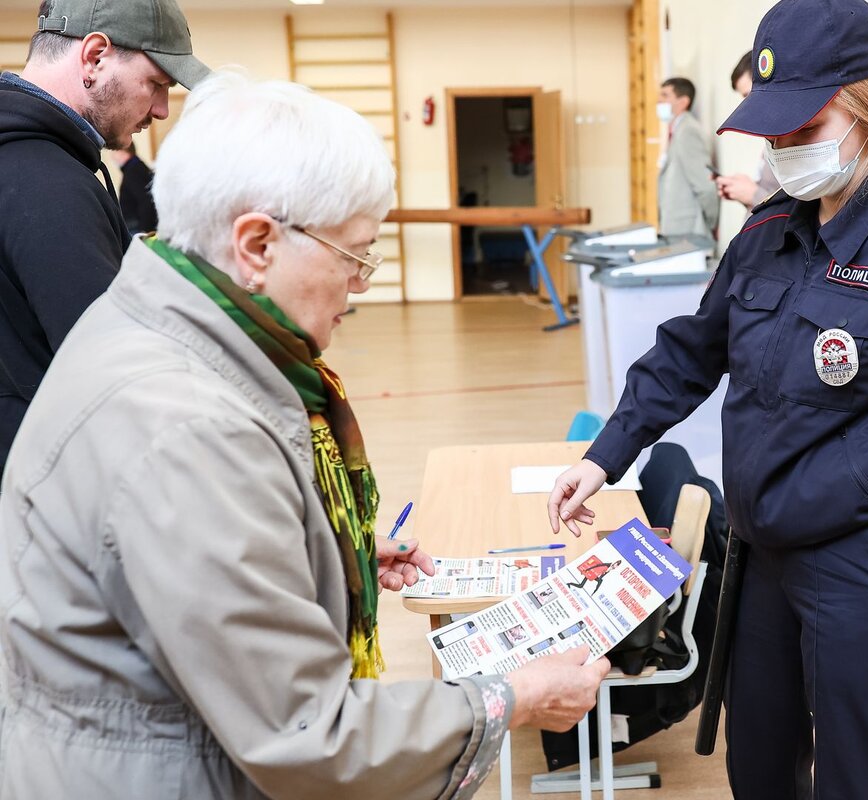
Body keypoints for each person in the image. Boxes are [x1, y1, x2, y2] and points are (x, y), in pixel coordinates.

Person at [0, 72, 609, 799]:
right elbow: (306, 734)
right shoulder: (188, 429)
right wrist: (514, 696)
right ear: (257, 244)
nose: (360, 285)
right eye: (353, 255)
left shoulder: (143, 315)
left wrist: (318, 547)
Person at [548, 1, 868, 797]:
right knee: (760, 772)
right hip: (763, 556)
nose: (782, 147)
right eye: (772, 130)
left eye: (803, 127)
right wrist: (607, 455)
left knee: (861, 783)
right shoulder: (769, 230)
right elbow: (690, 353)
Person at [0, 0, 207, 478]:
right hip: (41, 498)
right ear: (94, 57)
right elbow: (116, 383)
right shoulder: (47, 183)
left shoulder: (35, 163)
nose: (161, 109)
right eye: (156, 84)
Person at [714, 51, 781, 210]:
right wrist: (744, 192)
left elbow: (799, 207)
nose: (747, 105)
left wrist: (753, 194)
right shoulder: (771, 135)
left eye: (749, 95)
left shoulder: (794, 137)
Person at [656, 77, 719, 239]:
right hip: (677, 228)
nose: (658, 101)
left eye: (665, 95)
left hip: (689, 230)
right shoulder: (676, 130)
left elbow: (705, 186)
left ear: (683, 102)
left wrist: (710, 223)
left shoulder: (688, 132)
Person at [111, 141, 159, 234]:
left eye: (114, 152)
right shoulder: (135, 167)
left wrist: (145, 232)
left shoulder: (133, 170)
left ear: (122, 151)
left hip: (137, 228)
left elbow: (146, 201)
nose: (112, 157)